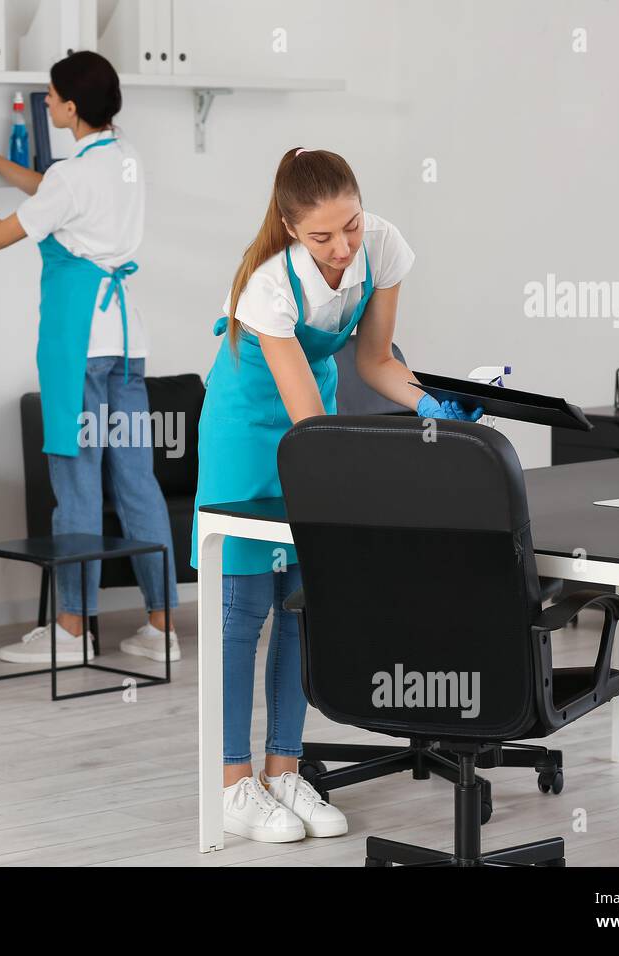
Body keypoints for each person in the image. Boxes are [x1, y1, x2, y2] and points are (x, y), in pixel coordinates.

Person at [189, 147, 482, 843]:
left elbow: (375, 360)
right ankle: (233, 783)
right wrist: (380, 466)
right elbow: (308, 428)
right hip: (250, 427)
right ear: (291, 228)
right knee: (242, 610)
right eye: (322, 236)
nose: (343, 246)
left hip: (314, 418)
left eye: (350, 224)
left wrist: (429, 404)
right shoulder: (266, 287)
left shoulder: (382, 248)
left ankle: (285, 770)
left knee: (298, 606)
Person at [0, 51, 179, 665]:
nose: (46, 101)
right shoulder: (124, 158)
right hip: (126, 344)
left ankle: (70, 632)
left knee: (77, 484)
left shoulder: (73, 174)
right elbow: (53, 192)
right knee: (137, 482)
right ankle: (161, 629)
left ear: (69, 106)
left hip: (75, 348)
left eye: (51, 95)